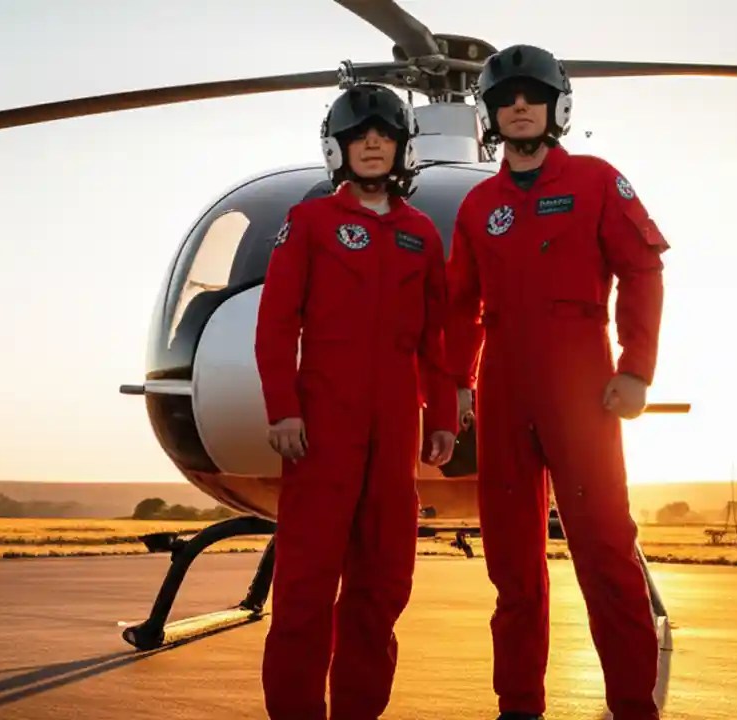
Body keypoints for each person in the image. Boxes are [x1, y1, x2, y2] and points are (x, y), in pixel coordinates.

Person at [445, 44, 671, 720]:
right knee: (512, 565)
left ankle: (633, 705)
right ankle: (519, 706)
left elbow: (642, 270)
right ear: (490, 113)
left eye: (531, 96)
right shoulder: (478, 203)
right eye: (506, 97)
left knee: (604, 549)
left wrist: (635, 368)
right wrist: (458, 385)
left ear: (556, 107)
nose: (519, 106)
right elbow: (459, 305)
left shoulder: (599, 180)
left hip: (580, 378)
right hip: (504, 382)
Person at [254, 82, 460, 720]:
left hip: (395, 429)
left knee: (383, 585)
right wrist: (283, 407)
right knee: (304, 589)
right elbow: (276, 323)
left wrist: (445, 416)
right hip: (323, 425)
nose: (371, 145)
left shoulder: (421, 233)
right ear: (337, 149)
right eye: (358, 136)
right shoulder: (309, 222)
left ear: (401, 149)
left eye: (384, 136)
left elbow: (437, 337)